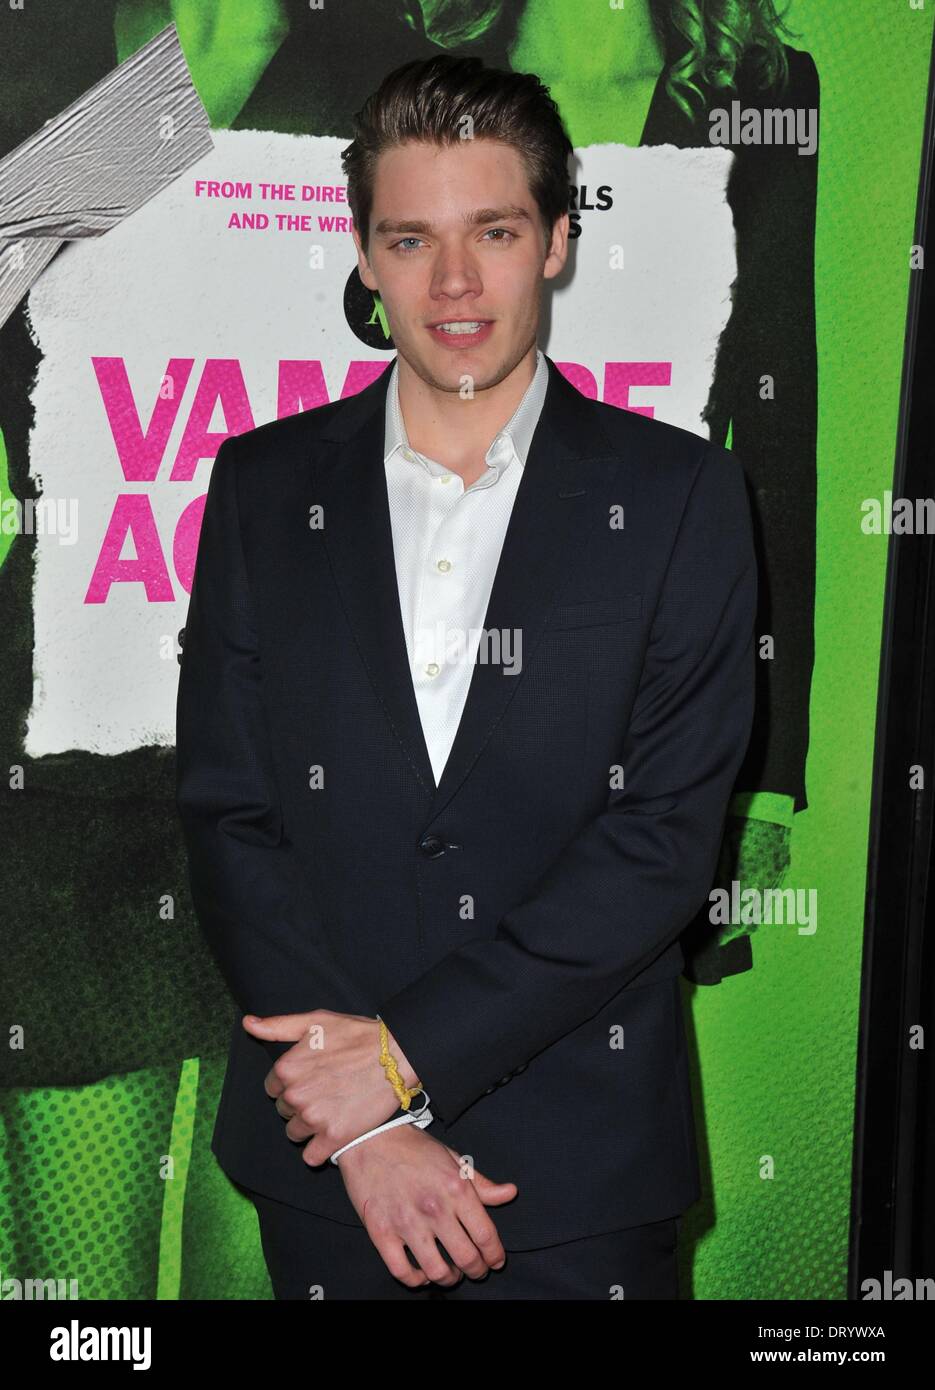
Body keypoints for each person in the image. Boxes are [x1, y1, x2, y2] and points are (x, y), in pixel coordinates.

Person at [175, 53, 758, 1300]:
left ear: (555, 240)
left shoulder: (679, 496)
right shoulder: (264, 487)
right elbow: (230, 811)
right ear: (364, 257)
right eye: (410, 240)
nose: (451, 283)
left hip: (581, 1181)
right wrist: (365, 1126)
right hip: (327, 1168)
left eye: (492, 232)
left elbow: (661, 844)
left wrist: (399, 1065)